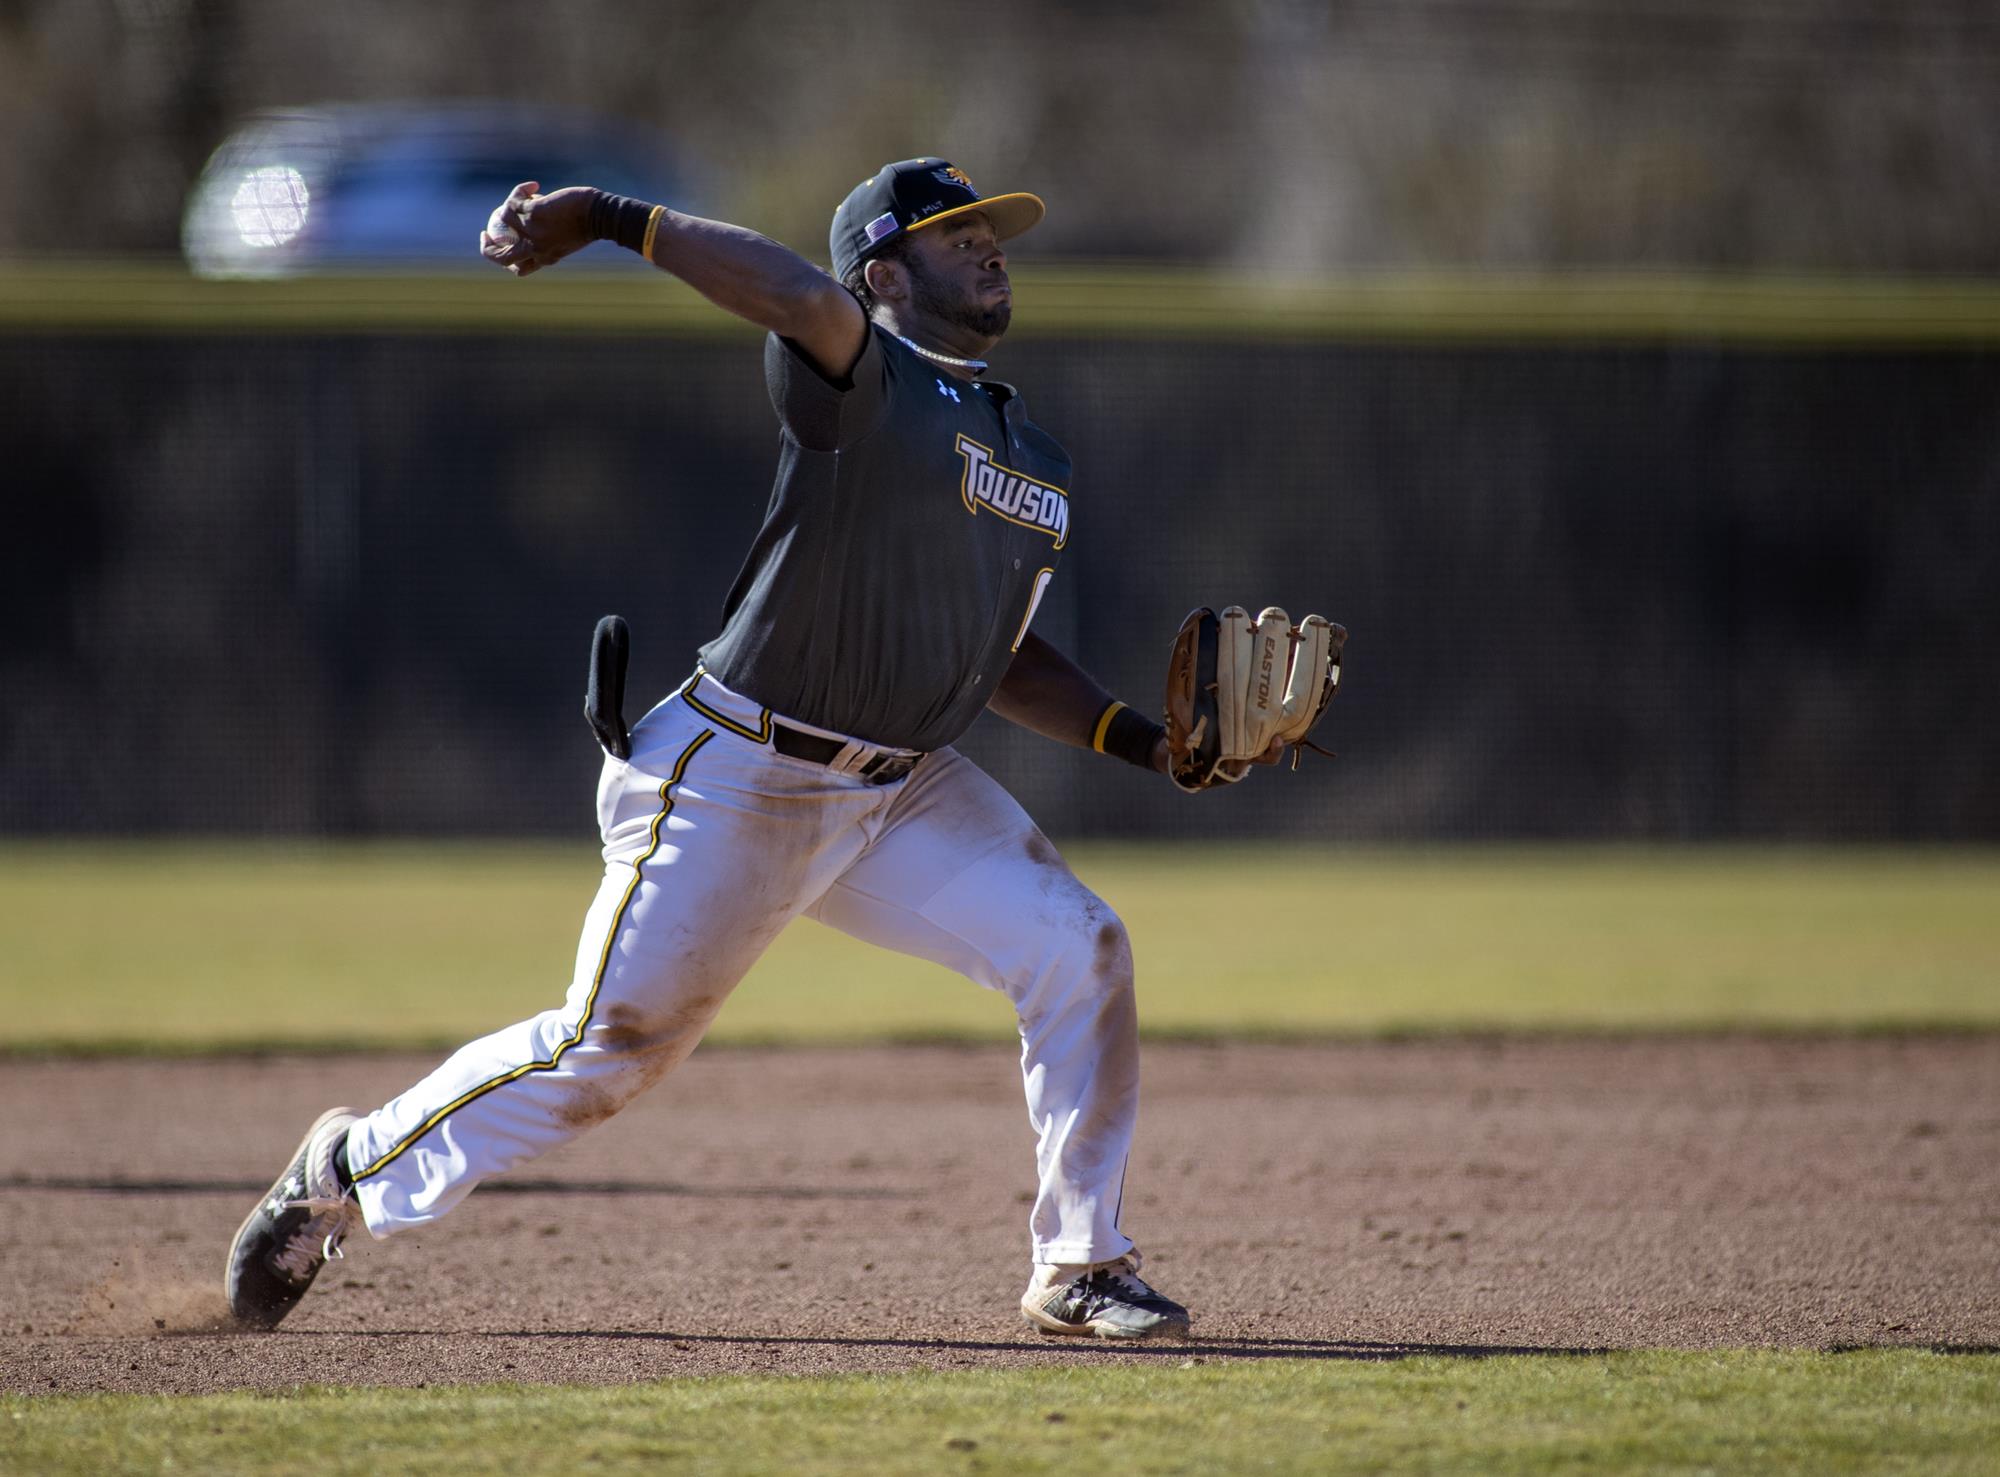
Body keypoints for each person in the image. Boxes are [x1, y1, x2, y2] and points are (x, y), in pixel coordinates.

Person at [227, 157, 1246, 1341]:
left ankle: (1083, 1262)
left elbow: (999, 656)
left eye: (991, 232)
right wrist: (611, 219)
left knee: (1081, 947)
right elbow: (797, 299)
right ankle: (340, 1171)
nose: (988, 246)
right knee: (605, 1054)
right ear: (881, 271)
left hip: (900, 789)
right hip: (740, 774)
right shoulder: (861, 382)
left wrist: (1144, 743)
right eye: (954, 233)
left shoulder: (1034, 456)